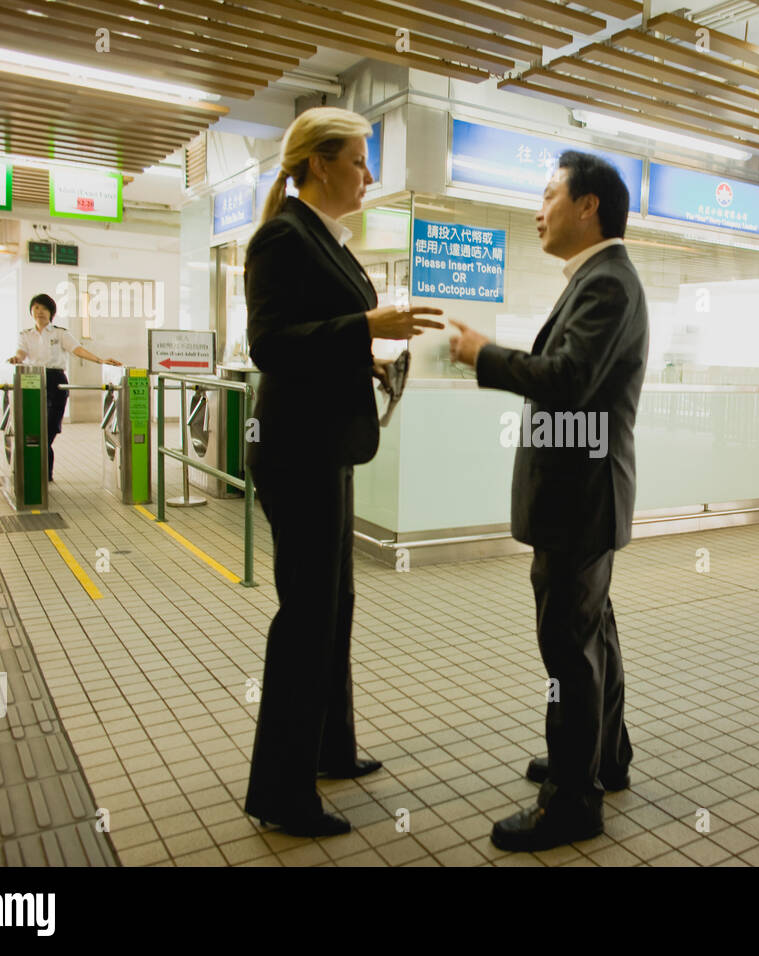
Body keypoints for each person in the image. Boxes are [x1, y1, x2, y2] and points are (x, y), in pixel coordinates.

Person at [243, 107, 444, 838]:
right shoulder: (282, 236)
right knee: (306, 616)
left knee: (337, 605)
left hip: (328, 445)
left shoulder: (329, 242)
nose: (369, 174)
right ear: (319, 162)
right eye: (359, 160)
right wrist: (364, 329)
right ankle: (280, 791)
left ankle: (331, 748)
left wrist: (370, 354)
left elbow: (316, 341)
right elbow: (269, 343)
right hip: (296, 453)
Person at [449, 151, 649, 852]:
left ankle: (571, 801)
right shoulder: (600, 279)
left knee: (568, 648)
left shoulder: (608, 285)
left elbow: (566, 380)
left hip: (578, 501)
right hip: (584, 498)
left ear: (588, 205)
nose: (539, 210)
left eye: (549, 194)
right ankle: (601, 758)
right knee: (593, 635)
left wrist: (482, 355)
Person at [7, 293, 122, 482]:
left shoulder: (59, 333)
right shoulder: (25, 335)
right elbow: (21, 352)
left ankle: (40, 471)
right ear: (31, 311)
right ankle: (43, 474)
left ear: (51, 312)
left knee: (49, 428)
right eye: (36, 308)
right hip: (32, 381)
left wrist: (100, 360)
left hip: (56, 381)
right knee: (35, 428)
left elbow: (77, 349)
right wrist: (16, 359)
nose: (40, 312)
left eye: (44, 308)